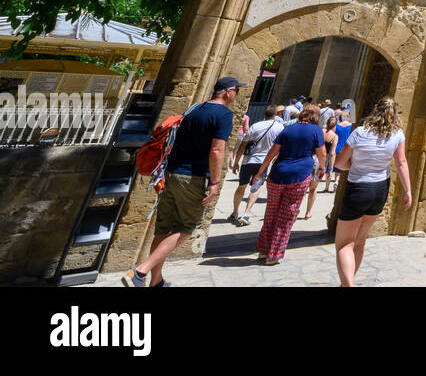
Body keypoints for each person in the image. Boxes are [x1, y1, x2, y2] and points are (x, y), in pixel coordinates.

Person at [123, 76, 242, 287]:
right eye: (236, 92)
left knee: (164, 228)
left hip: (171, 173)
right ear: (228, 92)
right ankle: (140, 272)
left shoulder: (195, 108)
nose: (236, 96)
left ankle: (156, 281)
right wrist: (214, 184)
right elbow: (216, 150)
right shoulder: (224, 114)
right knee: (187, 227)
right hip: (193, 177)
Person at [333, 97, 410, 286]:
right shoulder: (397, 134)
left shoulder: (360, 132)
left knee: (344, 244)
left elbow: (339, 163)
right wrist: (408, 190)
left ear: (375, 111)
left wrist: (355, 165)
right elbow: (401, 162)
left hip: (358, 188)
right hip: (380, 190)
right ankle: (347, 282)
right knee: (359, 241)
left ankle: (348, 284)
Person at [253, 103, 325, 265]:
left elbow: (273, 152)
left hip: (278, 173)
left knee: (271, 213)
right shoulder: (315, 130)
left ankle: (263, 251)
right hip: (300, 175)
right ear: (315, 118)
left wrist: (261, 171)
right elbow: (322, 153)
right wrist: (322, 168)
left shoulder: (287, 129)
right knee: (287, 215)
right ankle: (274, 254)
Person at [229, 107, 283, 225]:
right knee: (256, 188)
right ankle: (247, 214)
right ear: (275, 115)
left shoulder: (255, 125)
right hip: (263, 162)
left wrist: (236, 162)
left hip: (248, 161)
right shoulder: (279, 127)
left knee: (241, 186)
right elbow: (280, 147)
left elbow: (243, 146)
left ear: (265, 114)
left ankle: (235, 212)